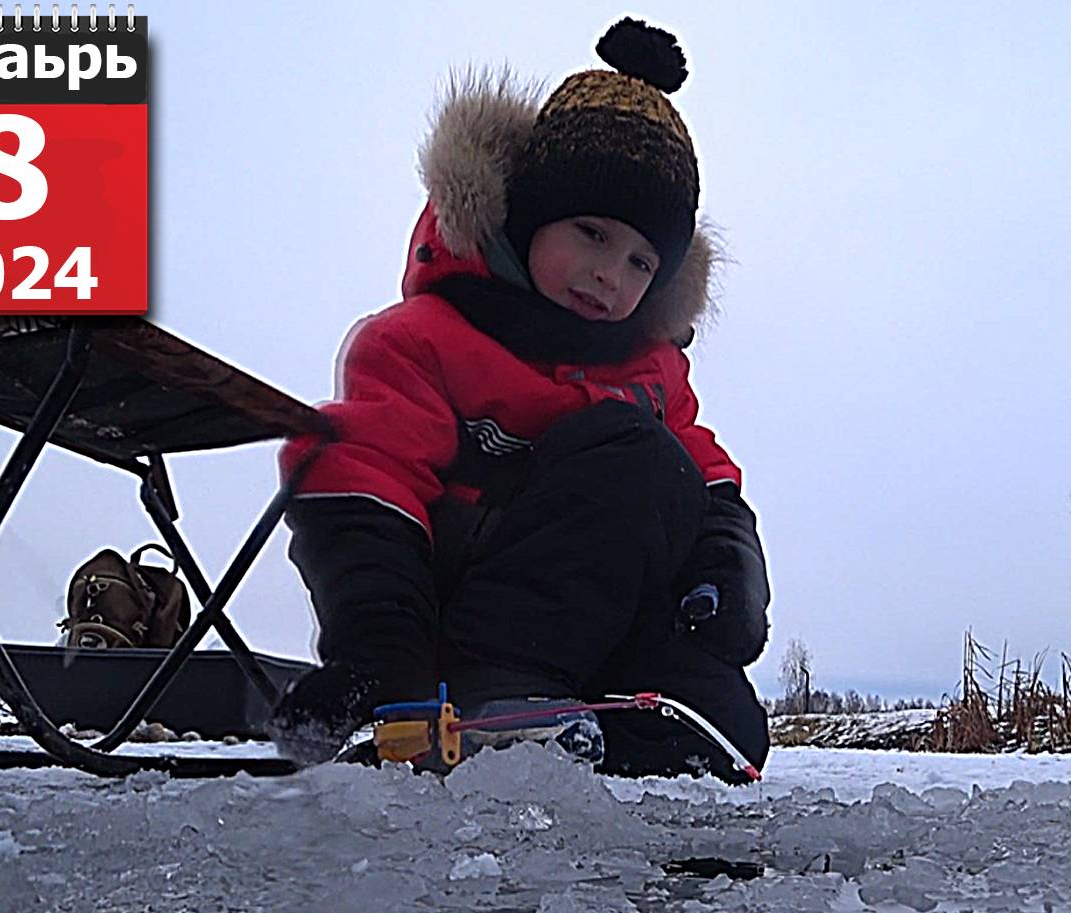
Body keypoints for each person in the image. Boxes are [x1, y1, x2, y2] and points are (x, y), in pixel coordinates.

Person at [268, 18, 770, 784]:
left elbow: (707, 477)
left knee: (726, 720)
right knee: (637, 458)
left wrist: (727, 567)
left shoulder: (654, 371)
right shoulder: (424, 338)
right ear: (531, 216)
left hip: (590, 628)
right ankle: (496, 705)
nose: (611, 274)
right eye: (592, 233)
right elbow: (363, 475)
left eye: (640, 260)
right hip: (450, 630)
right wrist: (378, 650)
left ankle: (609, 740)